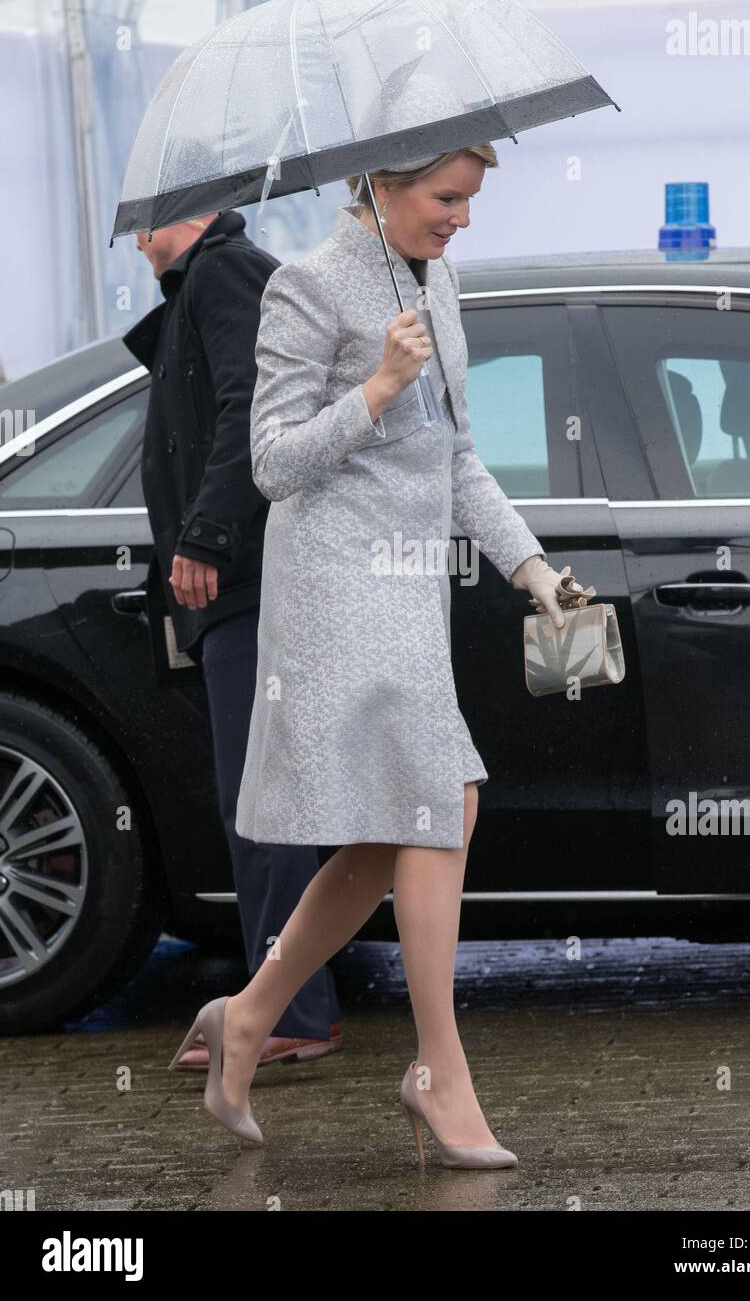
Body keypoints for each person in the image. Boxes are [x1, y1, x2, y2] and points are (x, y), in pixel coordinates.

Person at [167, 147, 592, 1166]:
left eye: (470, 201)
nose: (461, 221)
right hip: (332, 587)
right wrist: (378, 383)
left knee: (385, 831)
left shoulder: (434, 280)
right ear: (381, 186)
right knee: (446, 797)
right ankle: (438, 1072)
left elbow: (454, 456)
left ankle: (250, 1010)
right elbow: (271, 462)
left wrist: (533, 568)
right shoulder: (304, 287)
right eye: (446, 200)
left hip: (408, 591)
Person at [123, 210, 343, 1069]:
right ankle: (283, 1001)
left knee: (263, 801)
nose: (134, 242)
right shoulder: (206, 283)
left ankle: (286, 1007)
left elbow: (249, 405)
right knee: (261, 799)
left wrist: (207, 533)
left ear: (185, 210)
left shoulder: (224, 271)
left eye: (140, 223)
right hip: (241, 587)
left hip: (248, 583)